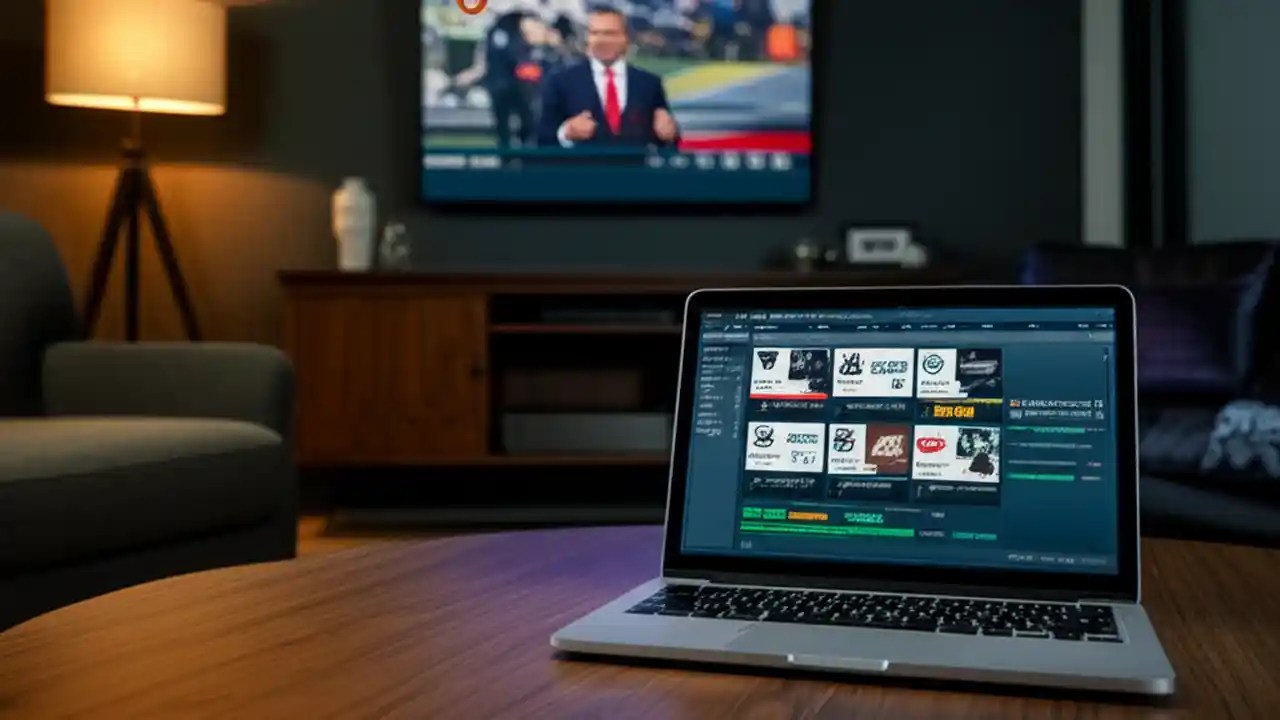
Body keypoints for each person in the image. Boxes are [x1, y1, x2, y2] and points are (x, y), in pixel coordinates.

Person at [536, 5, 680, 149]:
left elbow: (668, 139)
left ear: (626, 38)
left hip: (634, 170)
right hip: (582, 170)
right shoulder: (561, 82)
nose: (601, 40)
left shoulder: (649, 84)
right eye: (595, 33)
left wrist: (669, 134)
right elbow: (542, 139)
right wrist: (566, 132)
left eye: (610, 33)